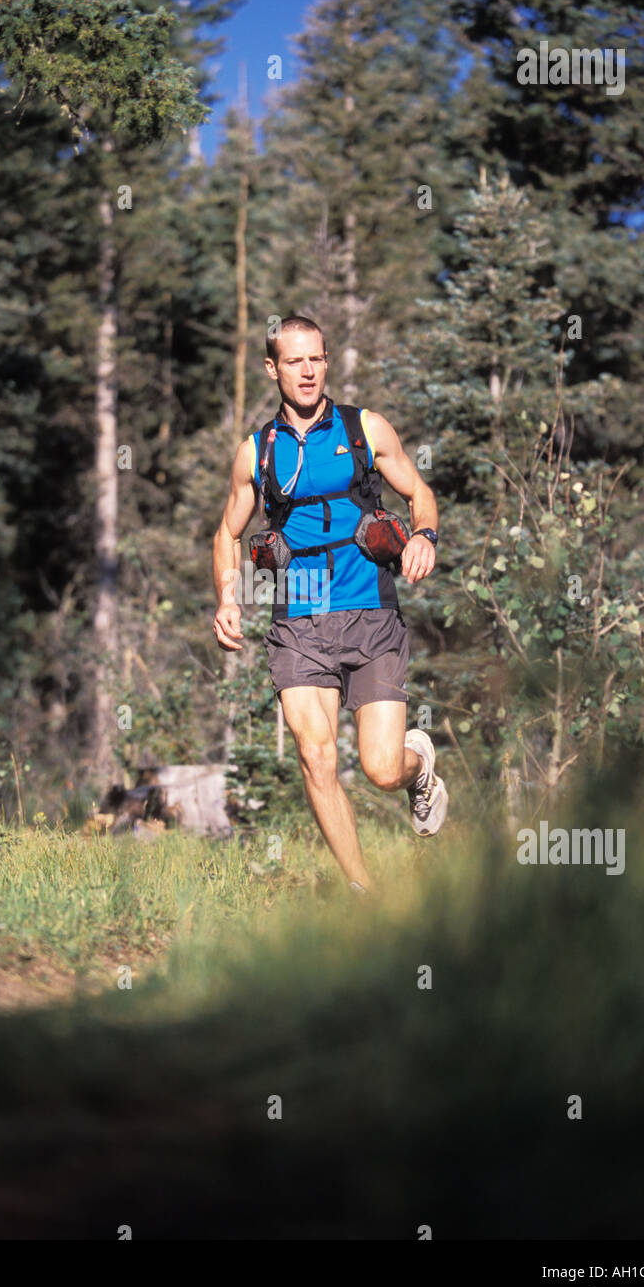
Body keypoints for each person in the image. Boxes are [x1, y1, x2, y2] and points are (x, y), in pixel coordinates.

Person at [212, 315, 447, 895]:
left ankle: (420, 769)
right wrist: (227, 596)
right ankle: (365, 895)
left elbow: (420, 496)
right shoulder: (255, 453)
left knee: (381, 769)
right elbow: (227, 532)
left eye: (316, 358)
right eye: (294, 361)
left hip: (370, 612)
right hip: (299, 621)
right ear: (273, 369)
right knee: (317, 759)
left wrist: (424, 537)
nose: (308, 370)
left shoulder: (364, 429)